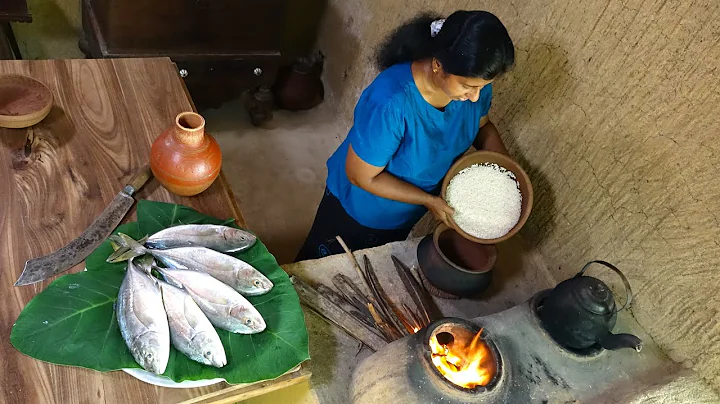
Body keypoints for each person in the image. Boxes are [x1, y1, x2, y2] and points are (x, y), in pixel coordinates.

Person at [295, 10, 515, 262]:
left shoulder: (474, 89)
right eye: (468, 86)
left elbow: (482, 125)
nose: (476, 96)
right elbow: (360, 175)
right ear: (437, 65)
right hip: (360, 210)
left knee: (373, 263)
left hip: (407, 211)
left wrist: (505, 172)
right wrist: (429, 200)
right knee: (324, 266)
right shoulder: (391, 102)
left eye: (483, 87)